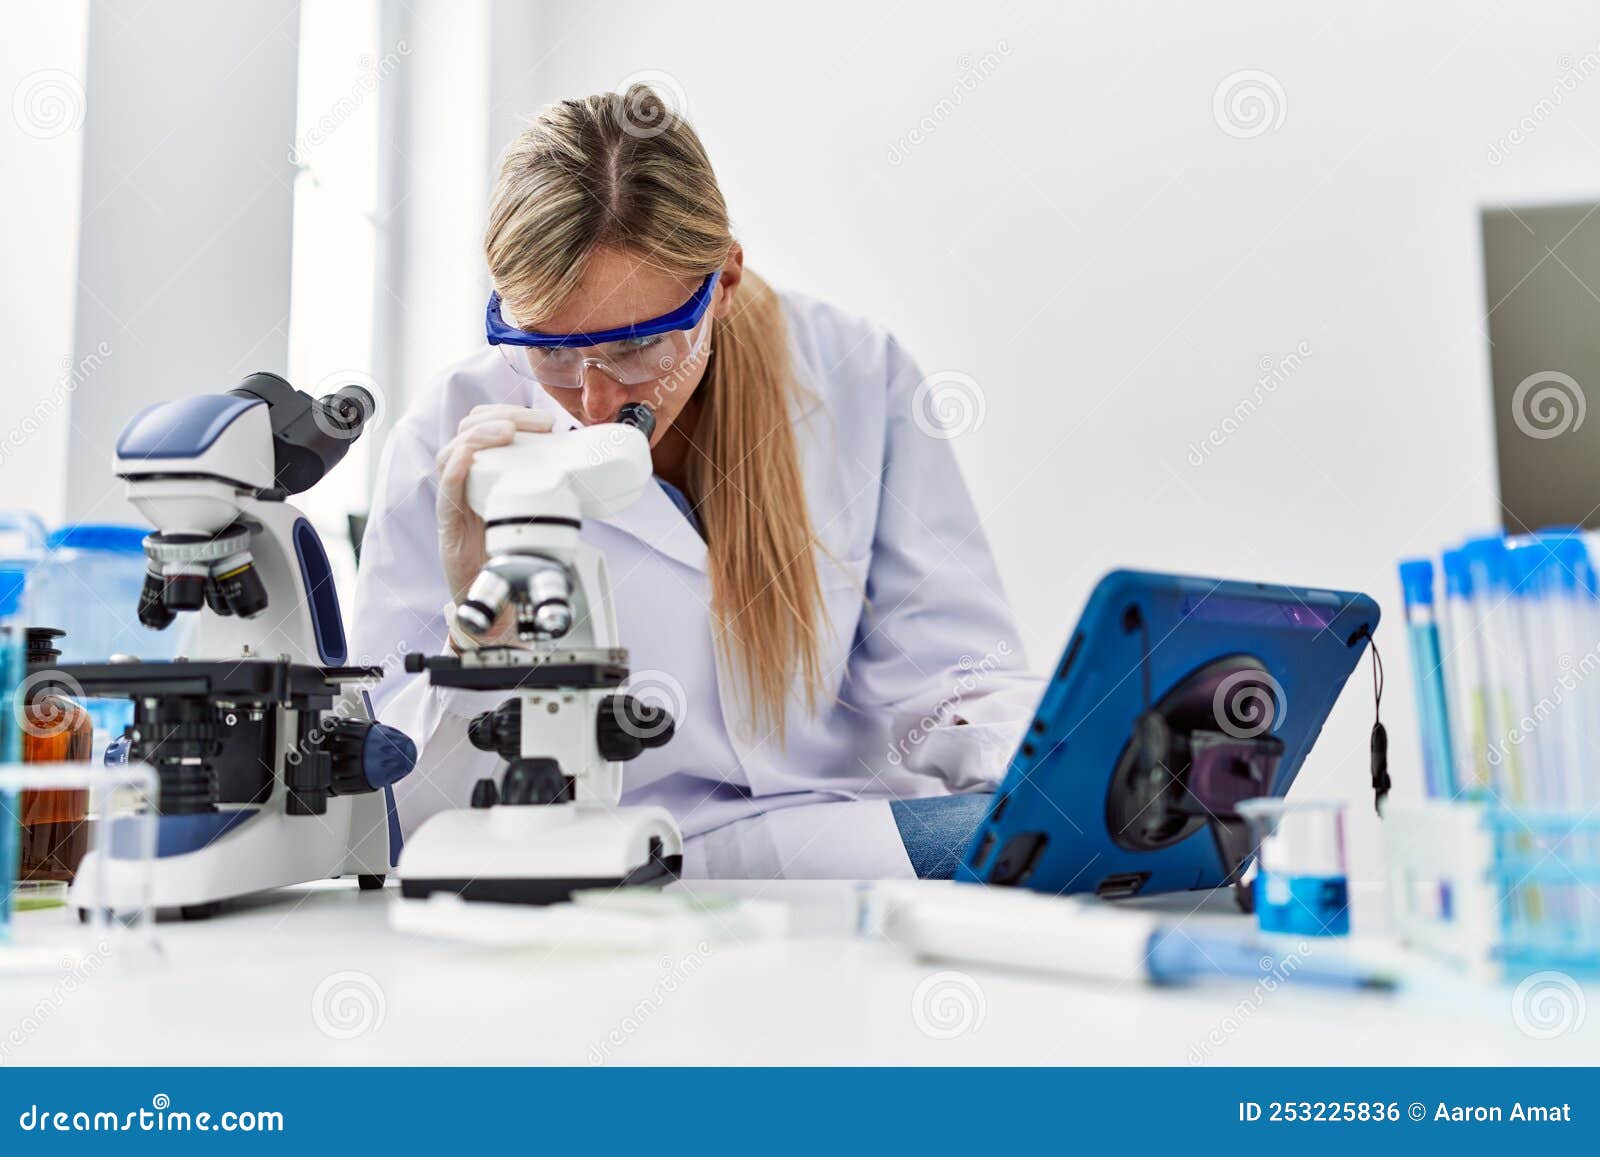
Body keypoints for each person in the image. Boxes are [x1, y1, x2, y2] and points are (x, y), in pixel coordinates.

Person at [351, 87, 1040, 879]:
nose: (597, 399)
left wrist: (1082, 757)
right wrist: (479, 629)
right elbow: (400, 812)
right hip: (619, 849)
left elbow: (953, 678)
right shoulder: (452, 432)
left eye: (639, 348)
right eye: (549, 353)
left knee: (1101, 840)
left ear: (725, 282)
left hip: (850, 826)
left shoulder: (859, 372)